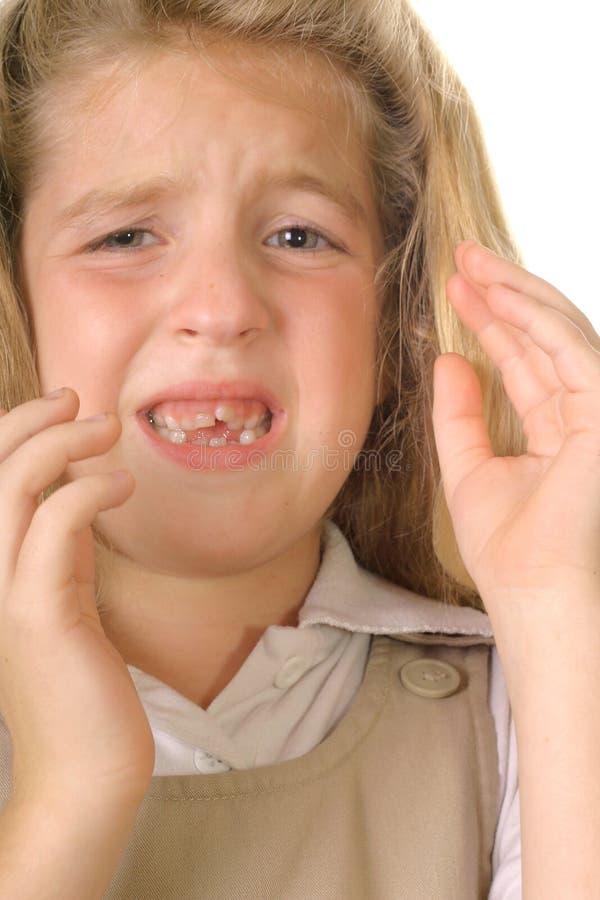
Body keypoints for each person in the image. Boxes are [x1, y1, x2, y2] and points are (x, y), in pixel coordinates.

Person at [0, 0, 598, 896]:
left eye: (297, 236)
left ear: (397, 326)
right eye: (125, 236)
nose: (223, 307)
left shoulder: (530, 705)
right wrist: (68, 799)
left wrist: (557, 608)